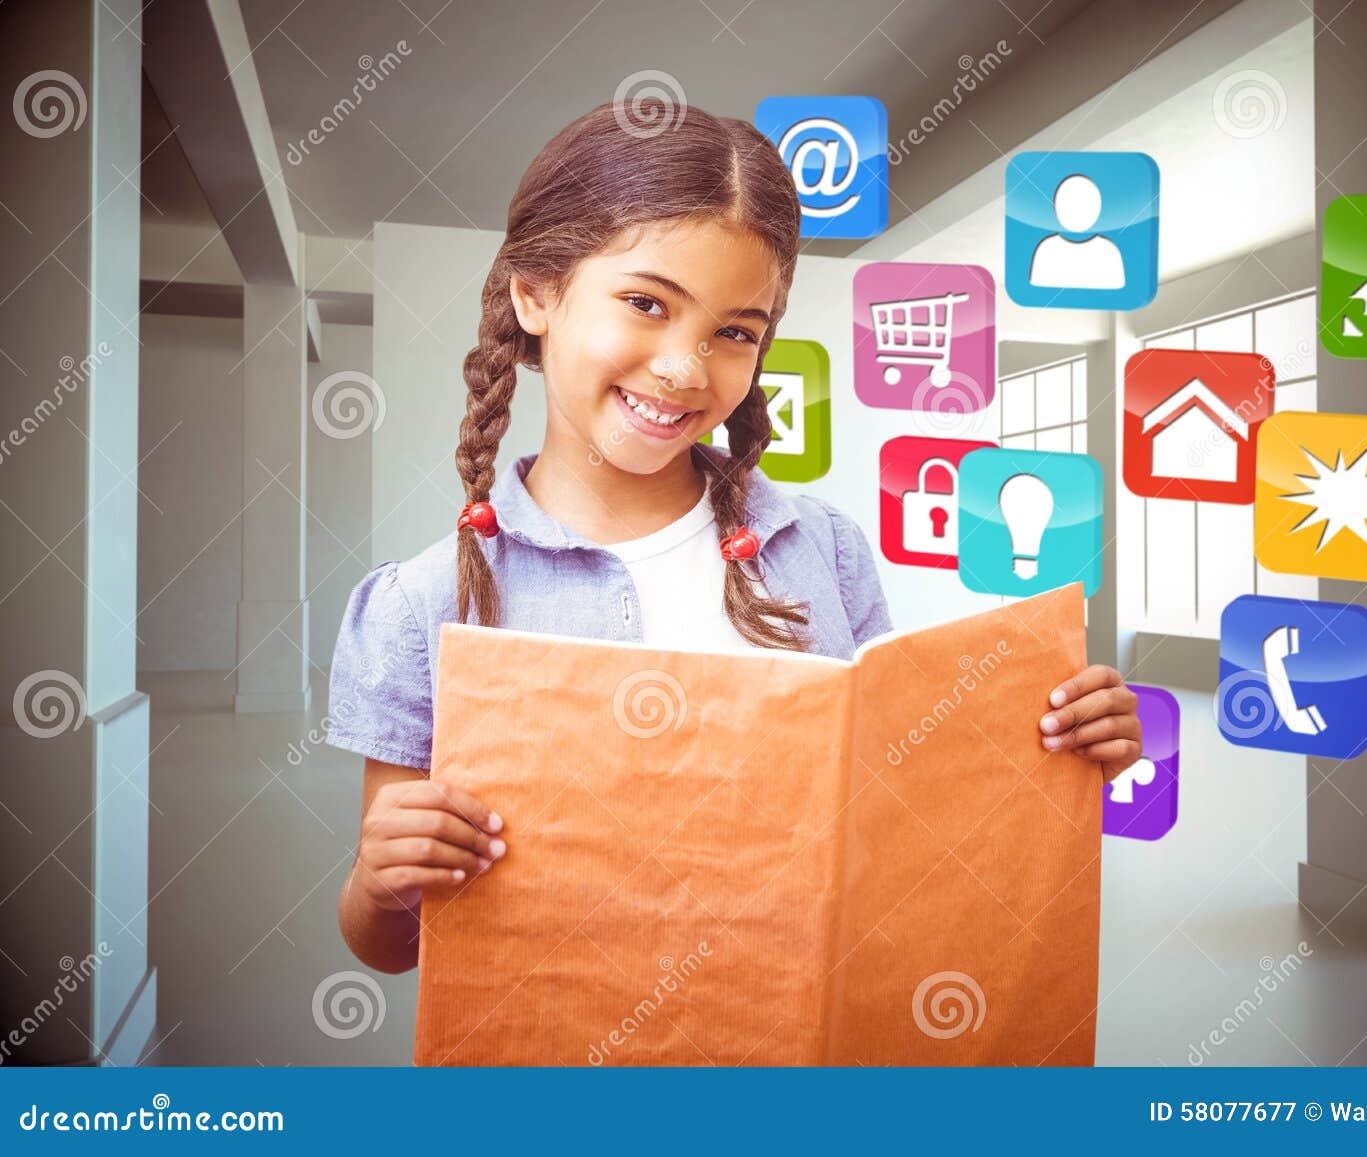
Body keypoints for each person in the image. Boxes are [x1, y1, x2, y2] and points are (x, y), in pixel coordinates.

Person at [329, 100, 1143, 974]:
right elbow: (391, 947)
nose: (684, 367)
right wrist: (380, 882)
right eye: (646, 302)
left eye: (733, 332)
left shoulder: (819, 547)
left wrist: (1055, 757)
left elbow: (897, 814)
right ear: (535, 293)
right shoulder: (422, 605)